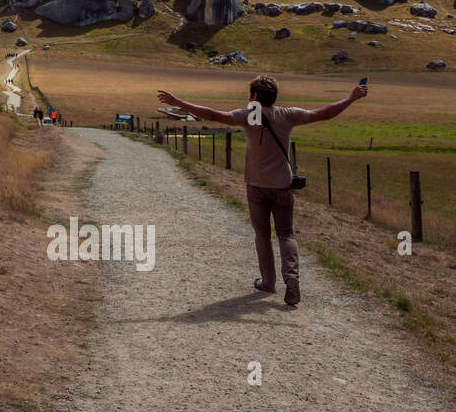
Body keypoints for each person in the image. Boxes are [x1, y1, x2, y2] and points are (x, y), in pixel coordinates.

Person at [156, 75, 367, 307]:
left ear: (255, 97)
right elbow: (324, 113)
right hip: (283, 185)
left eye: (250, 94)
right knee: (286, 234)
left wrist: (180, 103)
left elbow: (213, 114)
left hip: (256, 186)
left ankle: (268, 282)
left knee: (263, 235)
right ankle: (292, 278)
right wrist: (351, 97)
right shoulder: (288, 114)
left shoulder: (249, 116)